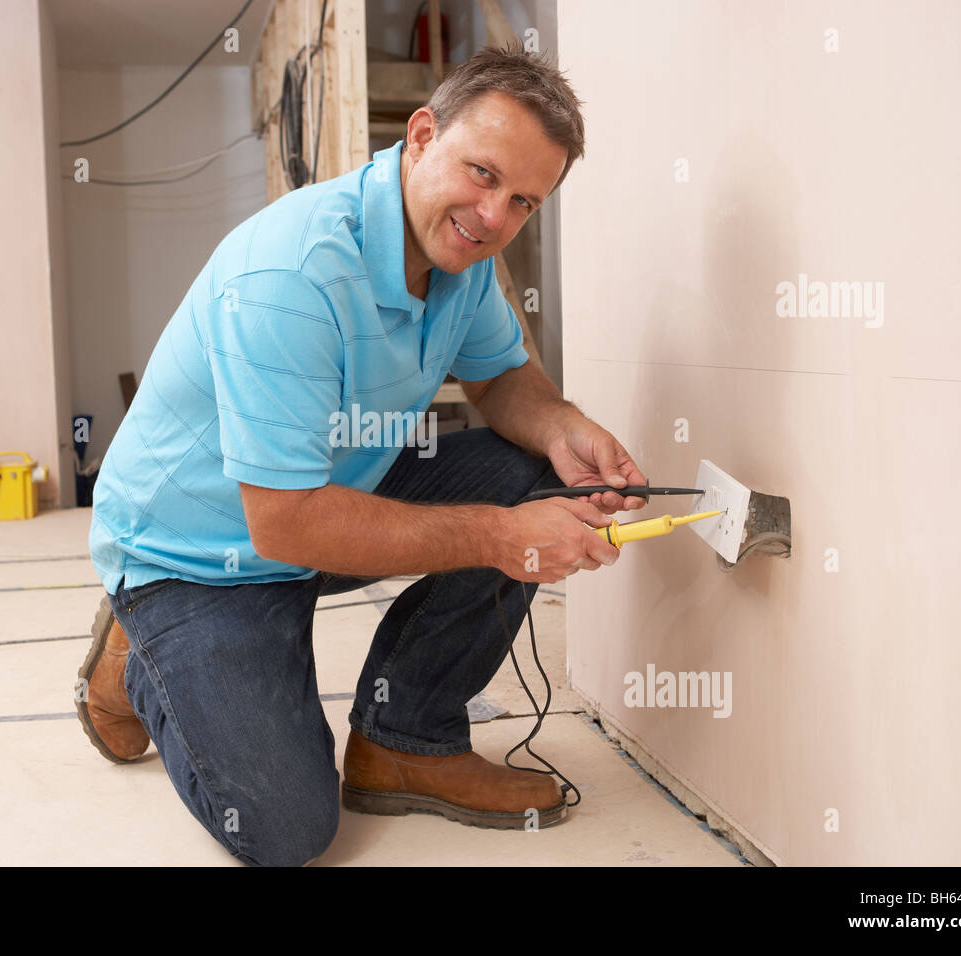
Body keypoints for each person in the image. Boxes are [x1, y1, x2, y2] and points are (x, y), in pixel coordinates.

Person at [77, 44, 648, 867]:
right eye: (482, 174)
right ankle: (138, 645)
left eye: (523, 200)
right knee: (283, 831)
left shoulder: (463, 262)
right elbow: (283, 524)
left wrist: (564, 429)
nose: (494, 216)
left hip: (328, 497)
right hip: (206, 552)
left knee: (530, 469)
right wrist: (501, 537)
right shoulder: (292, 273)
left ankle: (406, 740)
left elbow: (504, 381)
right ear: (421, 136)